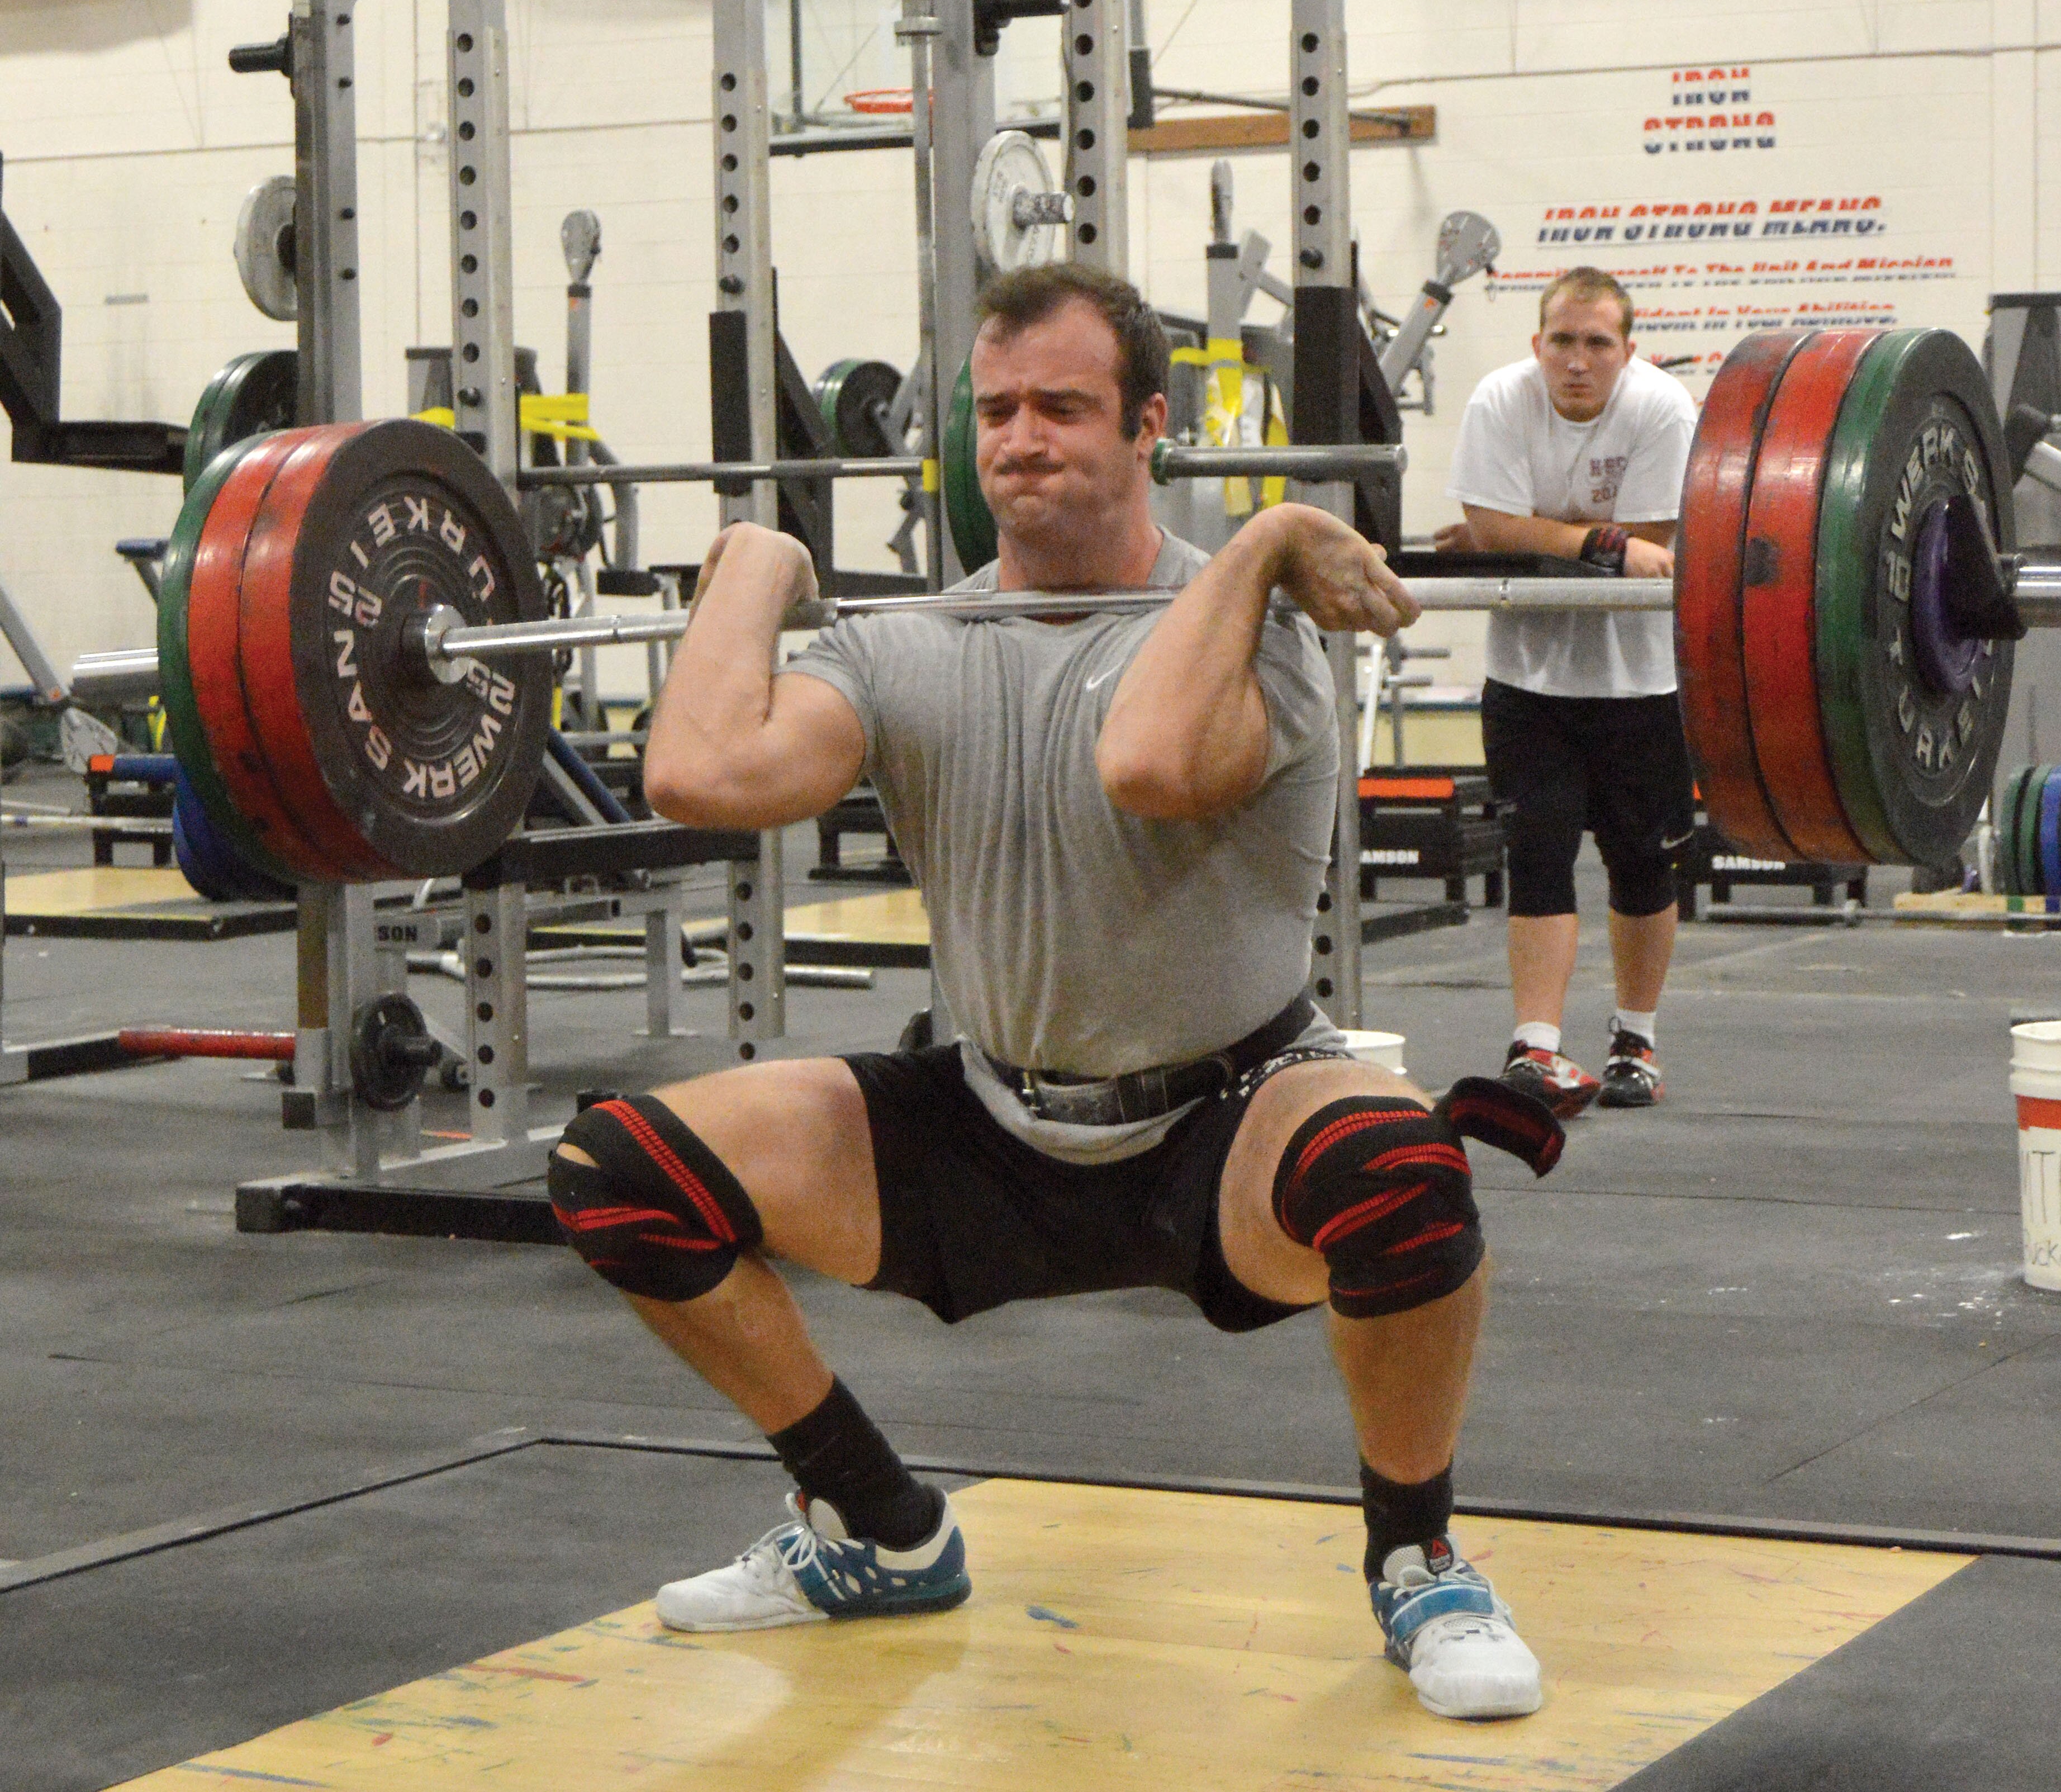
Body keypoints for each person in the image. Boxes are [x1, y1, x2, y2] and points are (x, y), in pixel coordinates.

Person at [548, 263, 1566, 1721]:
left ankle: (1419, 1558)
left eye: (1064, 406)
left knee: (1401, 1168)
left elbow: (1146, 763)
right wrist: (755, 565)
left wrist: (1267, 535)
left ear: (1151, 421)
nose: (1020, 437)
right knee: (619, 1171)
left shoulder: (1264, 636)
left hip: (1234, 1116)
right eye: (997, 407)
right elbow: (703, 774)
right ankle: (874, 1523)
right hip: (987, 1113)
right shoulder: (905, 646)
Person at [1438, 266, 1698, 1115]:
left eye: (1597, 344)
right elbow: (1490, 528)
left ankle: (1636, 1040)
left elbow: (1660, 543)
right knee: (1538, 855)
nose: (1577, 361)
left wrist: (1536, 538)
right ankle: (1536, 1050)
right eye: (1562, 342)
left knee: (1642, 863)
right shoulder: (1500, 402)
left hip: (1641, 681)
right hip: (1529, 678)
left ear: (1629, 349)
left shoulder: (1662, 409)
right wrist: (1600, 544)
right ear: (1536, 345)